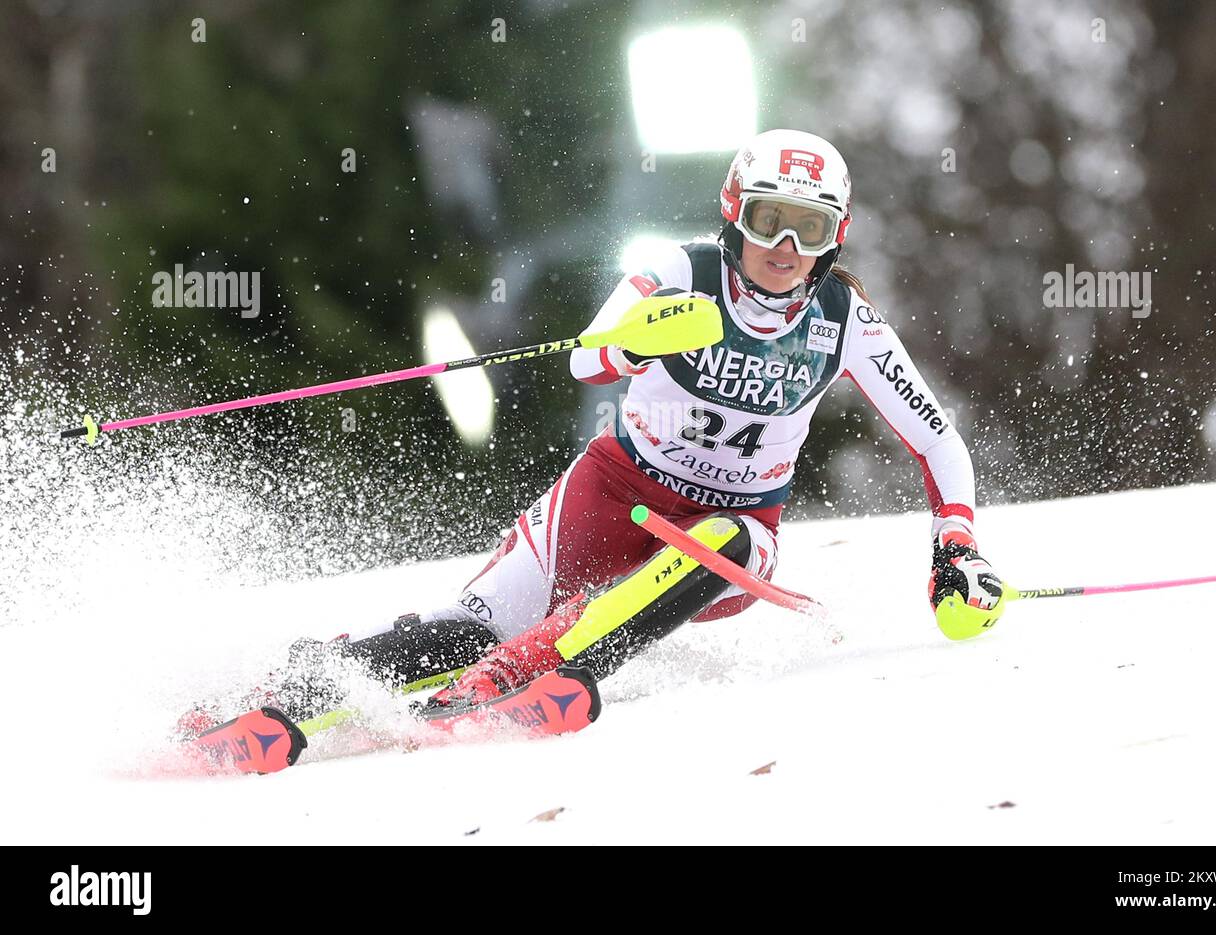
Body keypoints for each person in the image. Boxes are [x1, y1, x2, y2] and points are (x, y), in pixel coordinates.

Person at [182, 129, 1003, 731]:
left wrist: (956, 546)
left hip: (725, 532)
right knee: (463, 628)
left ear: (836, 238)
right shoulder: (682, 272)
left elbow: (936, 437)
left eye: (810, 229)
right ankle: (287, 697)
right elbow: (586, 361)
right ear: (733, 215)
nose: (785, 249)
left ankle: (529, 670)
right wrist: (635, 337)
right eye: (767, 221)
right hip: (611, 493)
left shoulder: (841, 318)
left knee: (737, 540)